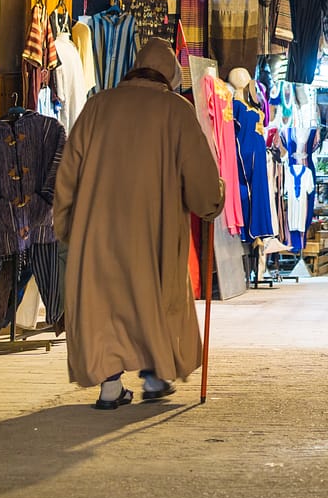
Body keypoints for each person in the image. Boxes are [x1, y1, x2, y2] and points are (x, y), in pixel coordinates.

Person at [54, 38, 224, 410]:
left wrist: (65, 224)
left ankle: (110, 387)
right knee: (153, 300)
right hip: (154, 231)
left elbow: (68, 173)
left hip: (98, 231)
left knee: (106, 306)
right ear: (170, 75)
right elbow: (200, 175)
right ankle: (154, 377)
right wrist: (213, 200)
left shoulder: (98, 106)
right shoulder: (175, 110)